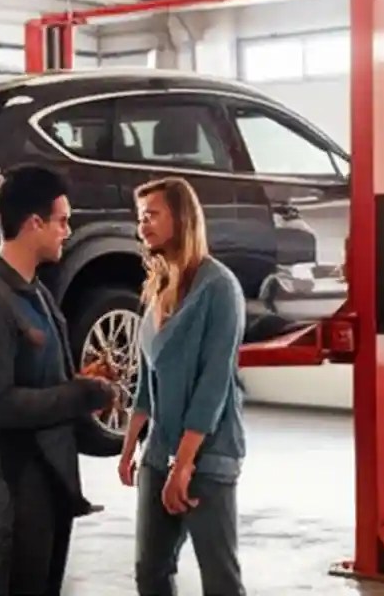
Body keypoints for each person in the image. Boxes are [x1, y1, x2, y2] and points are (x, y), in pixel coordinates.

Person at [0, 164, 123, 596]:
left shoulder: (37, 293)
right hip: (15, 492)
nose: (68, 231)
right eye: (63, 221)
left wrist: (87, 390)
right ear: (34, 224)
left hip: (51, 484)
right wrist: (80, 394)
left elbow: (50, 381)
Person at [118, 176, 248, 596]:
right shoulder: (158, 287)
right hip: (158, 455)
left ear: (182, 218)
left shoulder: (220, 288)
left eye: (152, 215)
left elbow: (213, 384)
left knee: (220, 580)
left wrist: (185, 464)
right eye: (141, 218)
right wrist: (129, 447)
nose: (144, 226)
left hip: (206, 458)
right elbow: (147, 380)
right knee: (150, 573)